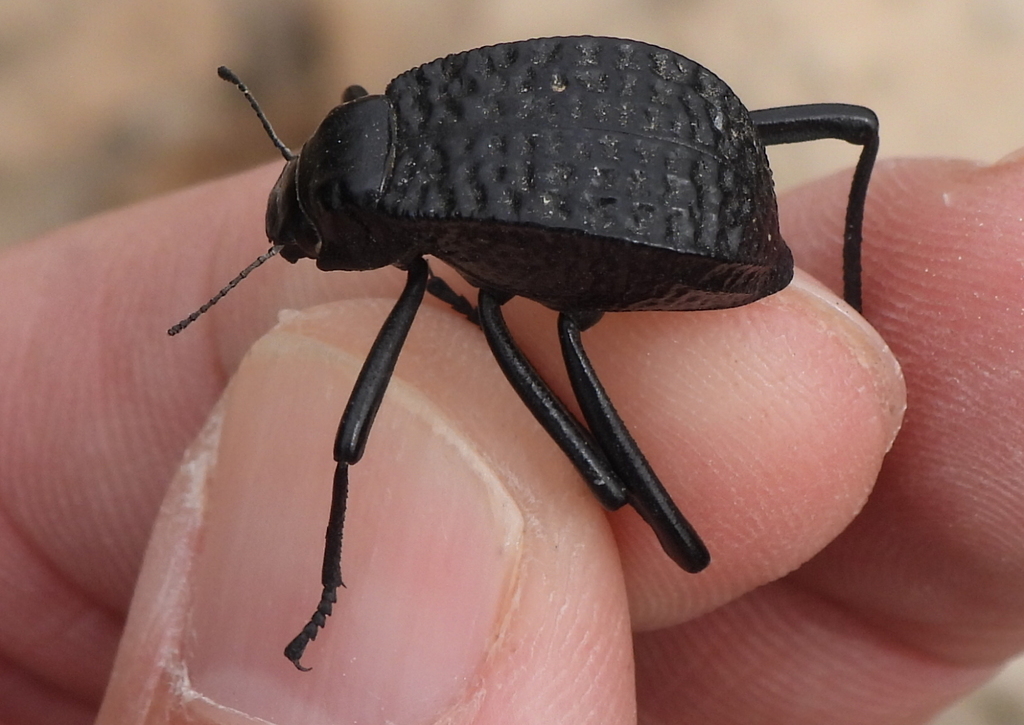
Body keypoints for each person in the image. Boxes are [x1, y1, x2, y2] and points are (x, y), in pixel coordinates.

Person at [1, 154, 1021, 725]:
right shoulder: (421, 132)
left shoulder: (431, 220)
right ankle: (858, 310)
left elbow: (355, 441)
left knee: (368, 433)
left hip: (677, 235)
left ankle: (330, 597)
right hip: (692, 156)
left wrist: (320, 614)